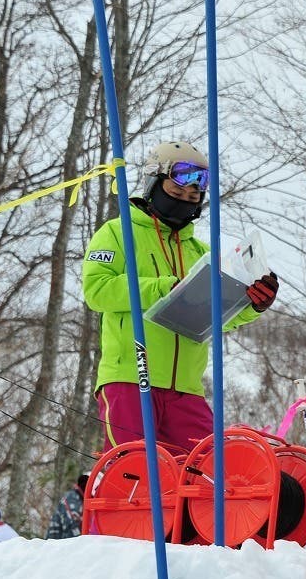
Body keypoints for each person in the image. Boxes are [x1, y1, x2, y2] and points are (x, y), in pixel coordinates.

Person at [83, 141, 280, 451]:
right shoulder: (118, 232)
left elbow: (216, 317)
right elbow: (97, 291)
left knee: (208, 471)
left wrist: (252, 305)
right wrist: (164, 288)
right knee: (136, 473)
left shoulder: (201, 253)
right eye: (175, 194)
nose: (184, 202)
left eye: (192, 197)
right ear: (153, 185)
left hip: (185, 390)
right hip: (132, 379)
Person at [45, 473, 88, 539]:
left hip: (61, 543)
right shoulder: (73, 500)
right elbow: (72, 528)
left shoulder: (79, 498)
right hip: (56, 543)